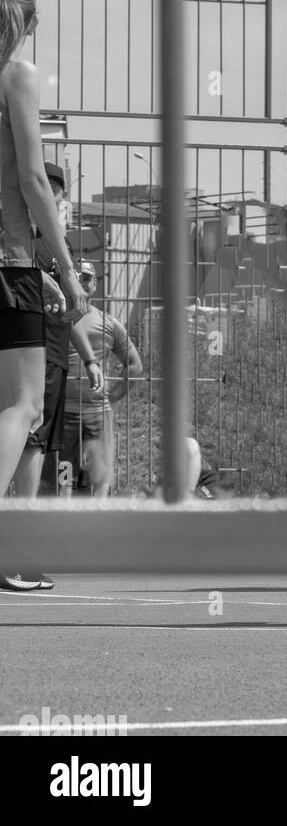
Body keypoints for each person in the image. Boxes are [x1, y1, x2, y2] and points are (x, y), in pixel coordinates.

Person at [0, 0, 88, 576]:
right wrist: (67, 270)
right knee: (25, 406)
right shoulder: (17, 76)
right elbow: (34, 181)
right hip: (8, 262)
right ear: (28, 23)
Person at [0, 167, 103, 593]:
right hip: (22, 326)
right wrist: (61, 272)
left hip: (50, 351)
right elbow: (31, 182)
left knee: (32, 430)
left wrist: (91, 358)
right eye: (52, 191)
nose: (54, 198)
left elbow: (71, 315)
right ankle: (16, 551)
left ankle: (21, 551)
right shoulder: (30, 234)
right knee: (25, 418)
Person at [60, 261, 143, 496]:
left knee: (100, 478)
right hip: (62, 414)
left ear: (95, 284)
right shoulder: (56, 316)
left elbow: (135, 366)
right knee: (62, 478)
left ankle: (98, 524)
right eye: (77, 276)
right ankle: (60, 524)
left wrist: (113, 396)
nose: (82, 282)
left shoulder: (108, 323)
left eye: (87, 277)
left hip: (98, 414)